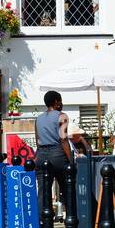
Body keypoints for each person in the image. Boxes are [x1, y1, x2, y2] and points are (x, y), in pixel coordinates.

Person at [35, 91, 74, 219]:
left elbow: (37, 141)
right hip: (57, 154)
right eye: (60, 101)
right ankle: (72, 220)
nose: (62, 104)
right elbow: (63, 139)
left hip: (41, 155)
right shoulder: (62, 116)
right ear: (56, 102)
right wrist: (71, 161)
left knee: (43, 192)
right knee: (67, 187)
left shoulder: (38, 119)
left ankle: (42, 225)